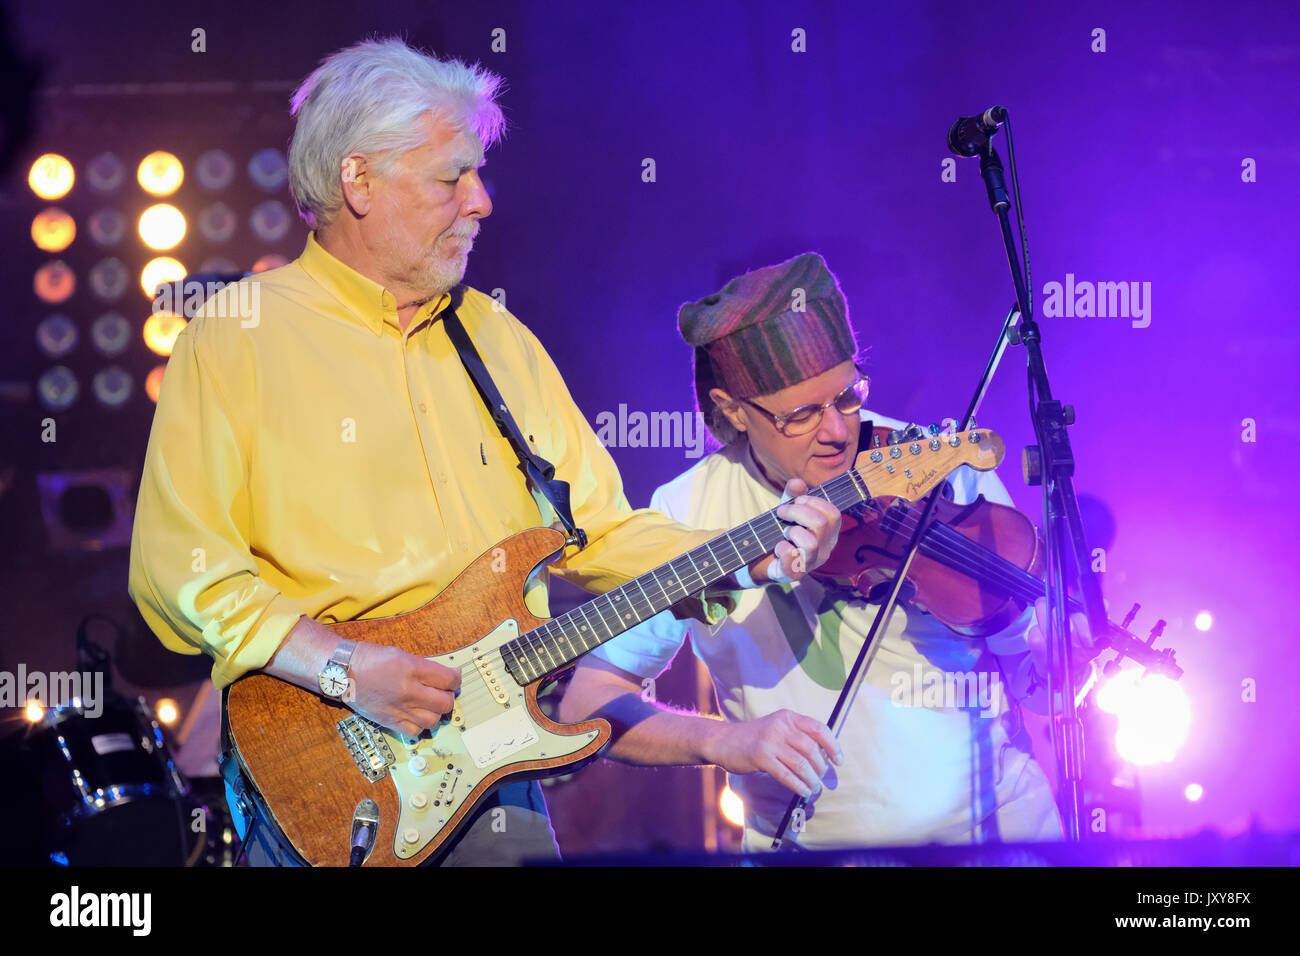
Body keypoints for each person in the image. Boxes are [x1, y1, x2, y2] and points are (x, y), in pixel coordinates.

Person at [126, 39, 841, 866]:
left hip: (496, 766)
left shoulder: (499, 341)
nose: (481, 201)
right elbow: (179, 570)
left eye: (477, 174)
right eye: (450, 177)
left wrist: (751, 554)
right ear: (358, 182)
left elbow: (601, 534)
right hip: (325, 764)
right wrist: (346, 670)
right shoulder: (237, 336)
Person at [559, 252, 1096, 851]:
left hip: (996, 843)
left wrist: (1060, 660)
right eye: (801, 414)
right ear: (732, 410)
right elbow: (587, 703)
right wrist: (726, 743)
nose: (839, 430)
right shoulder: (684, 512)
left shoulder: (935, 466)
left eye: (847, 396)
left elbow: (1041, 687)